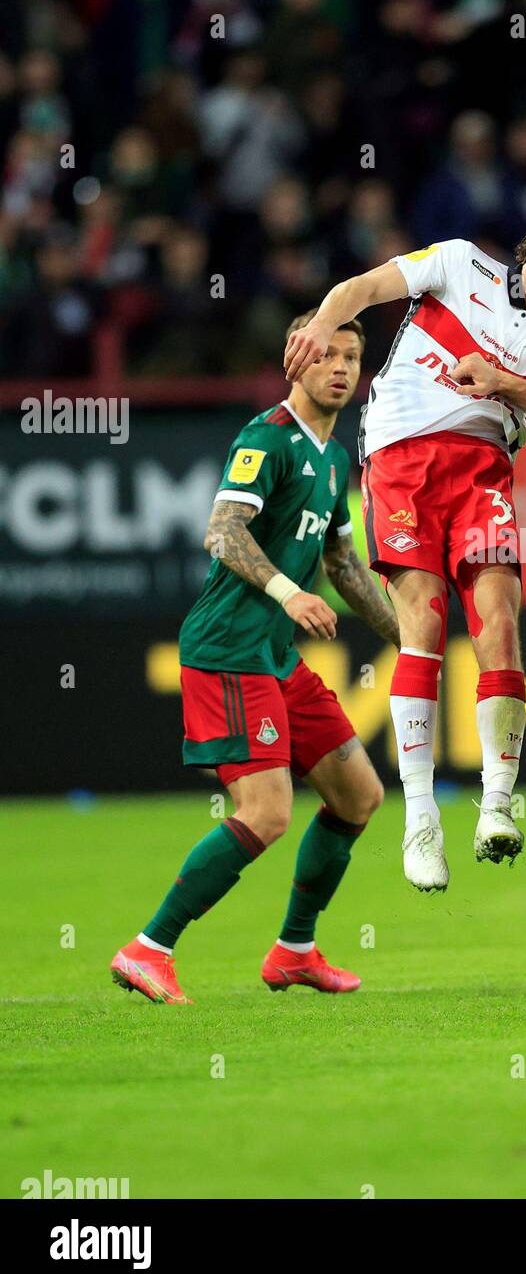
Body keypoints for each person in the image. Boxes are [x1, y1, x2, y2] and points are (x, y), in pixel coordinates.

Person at [284, 172, 526, 892]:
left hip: (482, 472)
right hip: (400, 459)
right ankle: (420, 818)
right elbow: (364, 288)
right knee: (421, 624)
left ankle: (496, 802)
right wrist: (322, 326)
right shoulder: (459, 262)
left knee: (499, 624)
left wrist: (510, 382)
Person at [111, 315, 399, 1004]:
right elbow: (221, 531)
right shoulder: (266, 438)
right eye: (325, 353)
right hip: (228, 650)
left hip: (272, 655)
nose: (339, 366)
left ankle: (294, 951)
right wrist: (288, 592)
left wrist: (407, 640)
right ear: (295, 360)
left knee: (359, 796)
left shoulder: (335, 456)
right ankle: (149, 948)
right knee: (267, 812)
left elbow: (342, 561)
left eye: (352, 356)